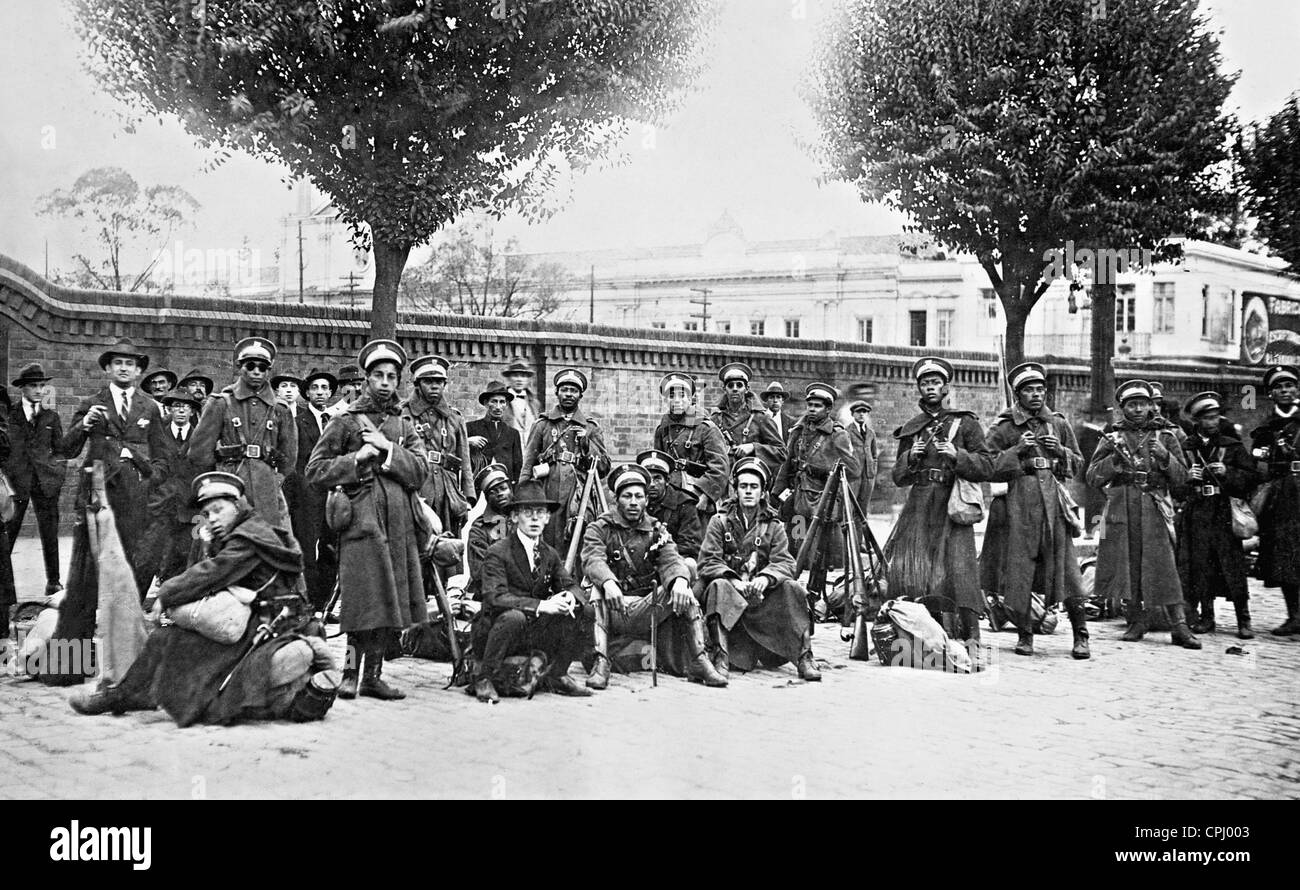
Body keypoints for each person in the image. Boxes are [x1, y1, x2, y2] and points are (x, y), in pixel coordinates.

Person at [69, 472, 340, 726]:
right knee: (170, 637)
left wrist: (165, 594)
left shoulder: (248, 539)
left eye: (219, 510)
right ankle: (132, 693)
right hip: (261, 618)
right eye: (207, 513)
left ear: (238, 504)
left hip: (272, 626)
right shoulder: (250, 529)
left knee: (169, 638)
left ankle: (125, 695)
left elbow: (211, 573)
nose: (212, 518)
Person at [307, 340, 429, 700]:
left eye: (392, 376)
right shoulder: (344, 421)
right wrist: (357, 458)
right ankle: (348, 671)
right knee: (363, 596)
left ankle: (373, 676)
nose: (385, 382)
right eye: (378, 375)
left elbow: (420, 471)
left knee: (390, 599)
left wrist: (389, 449)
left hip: (399, 522)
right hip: (360, 520)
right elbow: (315, 471)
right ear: (365, 379)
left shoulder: (404, 424)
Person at [581, 464, 727, 689]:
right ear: (616, 499)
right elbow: (593, 558)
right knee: (596, 588)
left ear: (646, 501)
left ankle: (699, 659)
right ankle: (601, 662)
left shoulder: (657, 530)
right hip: (612, 608)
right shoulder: (600, 527)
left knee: (683, 588)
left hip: (646, 608)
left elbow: (671, 558)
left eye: (639, 496)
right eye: (627, 496)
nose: (633, 502)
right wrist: (608, 582)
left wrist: (679, 579)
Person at [980, 362, 1090, 658]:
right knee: (1021, 570)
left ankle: (1081, 635)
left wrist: (1060, 452)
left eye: (1040, 389)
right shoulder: (1004, 426)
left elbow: (1078, 463)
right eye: (1029, 389)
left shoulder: (1058, 423)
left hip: (1053, 502)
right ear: (1017, 394)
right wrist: (1016, 450)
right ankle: (1025, 634)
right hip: (1019, 502)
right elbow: (986, 466)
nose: (1036, 394)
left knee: (1066, 568)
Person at [883, 358, 992, 642]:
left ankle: (970, 636)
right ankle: (915, 634)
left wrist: (958, 456)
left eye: (935, 383)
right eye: (925, 383)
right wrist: (911, 456)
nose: (930, 388)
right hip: (919, 505)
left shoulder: (965, 423)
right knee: (914, 568)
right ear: (919, 388)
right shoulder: (912, 428)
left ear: (945, 387)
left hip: (952, 506)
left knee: (960, 569)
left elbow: (986, 465)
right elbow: (898, 477)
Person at [1086, 379, 1198, 649]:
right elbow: (1092, 477)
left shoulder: (1166, 437)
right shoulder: (1112, 438)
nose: (1137, 409)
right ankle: (1136, 620)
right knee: (1128, 564)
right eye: (1131, 404)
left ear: (1151, 406)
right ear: (1123, 408)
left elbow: (1183, 479)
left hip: (1153, 504)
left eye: (1142, 404)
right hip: (1121, 506)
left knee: (1164, 567)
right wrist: (1113, 461)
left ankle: (1179, 626)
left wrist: (1164, 458)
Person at [470, 481, 594, 702]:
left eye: (541, 513)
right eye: (528, 512)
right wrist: (542, 605)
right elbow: (495, 598)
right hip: (497, 630)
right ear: (515, 517)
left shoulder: (550, 554)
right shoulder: (498, 552)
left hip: (531, 631)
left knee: (585, 610)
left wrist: (569, 596)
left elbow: (570, 584)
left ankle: (558, 674)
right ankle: (484, 678)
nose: (535, 519)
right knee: (514, 616)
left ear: (548, 518)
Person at [699, 457, 820, 682]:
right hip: (731, 604)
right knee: (718, 585)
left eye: (754, 487)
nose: (748, 492)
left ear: (763, 492)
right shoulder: (719, 521)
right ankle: (721, 656)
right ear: (734, 490)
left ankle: (805, 656)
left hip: (763, 603)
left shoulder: (774, 525)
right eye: (743, 486)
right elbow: (708, 561)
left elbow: (785, 562)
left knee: (793, 589)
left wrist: (765, 578)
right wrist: (736, 582)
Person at [61, 338, 159, 597]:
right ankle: (88, 621)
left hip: (136, 494)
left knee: (132, 555)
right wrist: (84, 425)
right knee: (91, 557)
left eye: (130, 363)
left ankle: (125, 619)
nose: (124, 368)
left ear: (139, 371)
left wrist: (150, 476)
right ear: (108, 369)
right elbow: (67, 449)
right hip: (98, 491)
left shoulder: (150, 406)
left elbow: (163, 454)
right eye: (118, 363)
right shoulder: (92, 402)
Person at [189, 337, 298, 528]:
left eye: (262, 367)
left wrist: (274, 480)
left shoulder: (280, 408)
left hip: (267, 488)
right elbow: (199, 452)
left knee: (271, 538)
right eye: (250, 366)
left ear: (268, 371)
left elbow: (289, 457)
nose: (256, 371)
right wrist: (219, 477)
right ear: (240, 367)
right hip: (229, 482)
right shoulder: (221, 403)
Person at [1177, 391, 1258, 639]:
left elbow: (1252, 478)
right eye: (1207, 418)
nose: (1213, 422)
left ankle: (1243, 619)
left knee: (1232, 566)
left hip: (1224, 511)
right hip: (1197, 511)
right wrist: (1187, 479)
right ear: (1196, 421)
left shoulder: (1231, 446)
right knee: (1201, 565)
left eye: (1215, 417)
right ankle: (1206, 617)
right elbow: (1174, 485)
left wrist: (1228, 472)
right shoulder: (1186, 447)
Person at [519, 368, 611, 550]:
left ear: (580, 395)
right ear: (557, 392)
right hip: (547, 489)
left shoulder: (591, 427)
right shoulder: (543, 425)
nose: (569, 394)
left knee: (578, 536)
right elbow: (528, 463)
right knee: (546, 538)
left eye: (574, 391)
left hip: (579, 492)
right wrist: (522, 494)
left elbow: (604, 467)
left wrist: (586, 444)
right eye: (565, 390)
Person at [771, 382, 859, 561]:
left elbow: (854, 469)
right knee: (797, 540)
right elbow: (786, 463)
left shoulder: (837, 434)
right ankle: (798, 570)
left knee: (821, 548)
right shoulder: (798, 430)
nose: (812, 409)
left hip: (823, 497)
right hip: (799, 497)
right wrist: (776, 493)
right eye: (810, 405)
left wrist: (825, 470)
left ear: (828, 409)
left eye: (817, 406)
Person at [4, 363, 66, 595]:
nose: (39, 390)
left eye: (42, 386)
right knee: (8, 533)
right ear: (23, 389)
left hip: (45, 483)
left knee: (50, 533)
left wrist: (57, 474)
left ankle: (54, 581)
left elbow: (60, 451)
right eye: (33, 386)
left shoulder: (51, 417)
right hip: (16, 483)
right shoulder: (11, 416)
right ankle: (3, 585)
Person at [1249, 365, 1300, 637]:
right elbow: (1256, 464)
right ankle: (1294, 615)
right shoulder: (1265, 426)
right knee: (1284, 555)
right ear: (1271, 394)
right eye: (1279, 387)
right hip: (1281, 497)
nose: (1285, 391)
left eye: (1290, 386)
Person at [285, 368, 339, 616]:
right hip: (307, 495)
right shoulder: (298, 422)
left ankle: (323, 602)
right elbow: (294, 460)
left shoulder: (337, 422)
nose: (320, 392)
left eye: (324, 388)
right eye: (315, 388)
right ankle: (306, 601)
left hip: (334, 494)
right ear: (306, 393)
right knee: (307, 546)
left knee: (331, 547)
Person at [402, 354, 475, 534]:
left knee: (448, 549)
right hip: (415, 489)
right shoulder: (404, 415)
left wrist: (468, 498)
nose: (434, 386)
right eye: (428, 381)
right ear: (417, 384)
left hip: (447, 491)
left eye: (439, 381)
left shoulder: (454, 418)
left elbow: (465, 462)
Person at [137, 391, 203, 588]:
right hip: (160, 506)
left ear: (192, 412)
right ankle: (134, 608)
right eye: (176, 406)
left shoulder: (200, 437)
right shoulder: (158, 436)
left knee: (182, 558)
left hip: (189, 508)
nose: (181, 410)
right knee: (148, 557)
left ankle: (170, 609)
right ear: (169, 410)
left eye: (186, 407)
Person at [653, 372, 729, 529]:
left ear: (691, 398)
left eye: (682, 395)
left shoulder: (705, 428)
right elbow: (658, 467)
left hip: (697, 497)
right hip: (670, 499)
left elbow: (720, 468)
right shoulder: (663, 430)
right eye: (672, 396)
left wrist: (706, 495)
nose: (677, 400)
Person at [711, 362, 786, 480]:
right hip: (720, 481)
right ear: (724, 389)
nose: (735, 389)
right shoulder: (715, 418)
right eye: (730, 385)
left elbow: (781, 452)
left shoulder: (761, 418)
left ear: (747, 389)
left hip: (749, 480)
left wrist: (753, 447)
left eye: (739, 385)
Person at [639, 449, 702, 566]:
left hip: (674, 562)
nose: (652, 484)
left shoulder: (684, 503)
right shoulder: (636, 501)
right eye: (648, 480)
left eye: (657, 478)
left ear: (667, 481)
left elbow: (690, 547)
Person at [467, 384, 523, 482]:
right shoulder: (471, 427)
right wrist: (467, 441)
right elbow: (455, 450)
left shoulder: (513, 433)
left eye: (502, 402)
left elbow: (518, 466)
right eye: (494, 401)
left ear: (506, 405)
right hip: (477, 484)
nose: (498, 407)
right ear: (486, 403)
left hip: (504, 485)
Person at [846, 400, 878, 513]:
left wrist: (873, 469)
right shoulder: (847, 431)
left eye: (864, 412)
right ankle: (849, 530)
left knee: (863, 508)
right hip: (854, 475)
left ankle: (861, 531)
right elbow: (844, 454)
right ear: (852, 414)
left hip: (868, 475)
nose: (861, 414)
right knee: (850, 507)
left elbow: (874, 455)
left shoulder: (870, 433)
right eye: (858, 411)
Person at [502, 360, 539, 438]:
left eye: (523, 376)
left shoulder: (534, 403)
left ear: (528, 379)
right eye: (515, 375)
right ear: (509, 378)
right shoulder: (501, 401)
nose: (519, 379)